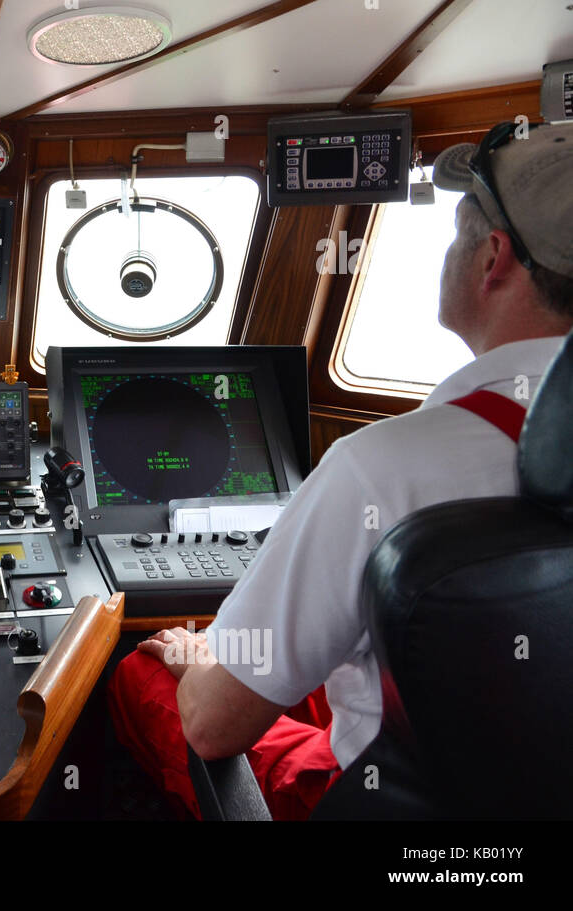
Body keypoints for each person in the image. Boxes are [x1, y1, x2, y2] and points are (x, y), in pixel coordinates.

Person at [108, 121, 573, 820]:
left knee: (149, 671)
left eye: (460, 229)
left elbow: (212, 725)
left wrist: (198, 662)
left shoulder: (382, 467)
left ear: (493, 258)